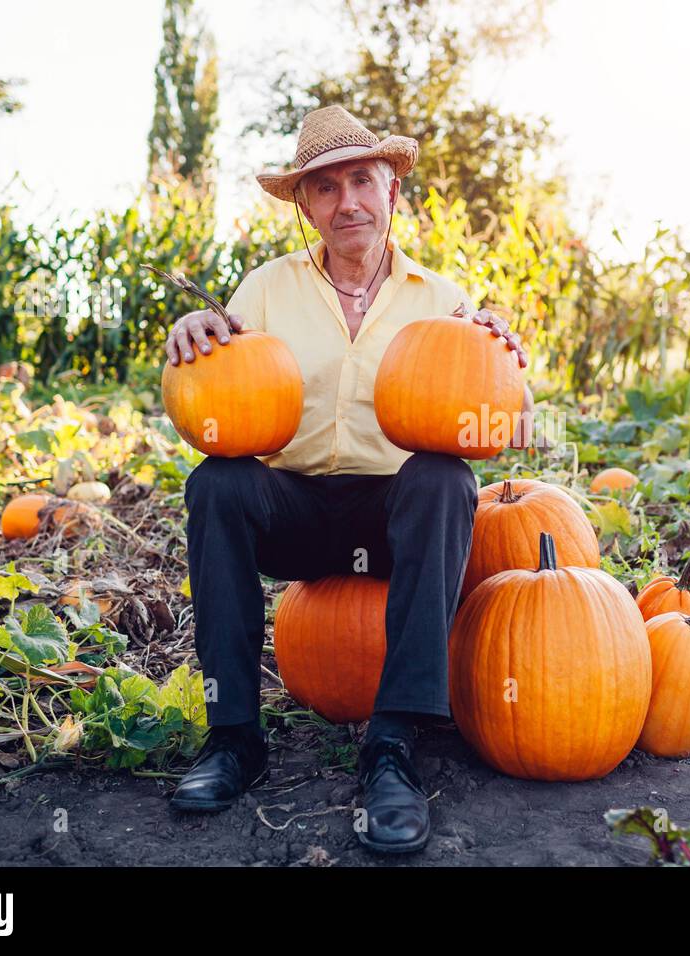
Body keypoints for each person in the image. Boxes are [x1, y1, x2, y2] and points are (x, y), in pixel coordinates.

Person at [162, 105, 530, 853]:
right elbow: (218, 386)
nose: (347, 202)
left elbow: (507, 427)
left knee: (443, 478)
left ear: (392, 189)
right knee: (216, 484)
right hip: (292, 508)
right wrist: (191, 335)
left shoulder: (444, 301)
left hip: (392, 515)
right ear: (306, 205)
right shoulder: (264, 291)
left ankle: (393, 744)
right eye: (325, 189)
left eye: (362, 180)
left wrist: (508, 373)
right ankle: (233, 737)